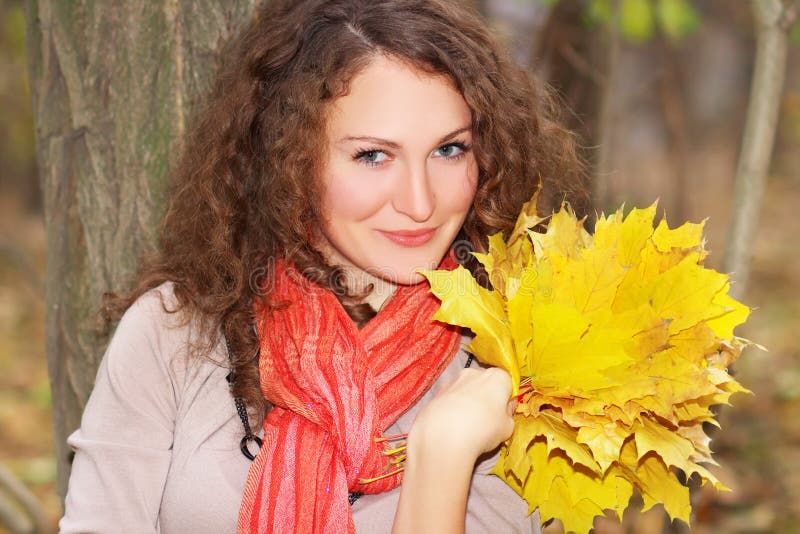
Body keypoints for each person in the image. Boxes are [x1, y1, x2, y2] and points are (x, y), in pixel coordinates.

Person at [59, 0, 586, 532]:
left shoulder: (518, 360)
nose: (420, 203)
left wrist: (443, 454)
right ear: (292, 158)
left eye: (449, 150)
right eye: (373, 156)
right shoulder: (174, 333)